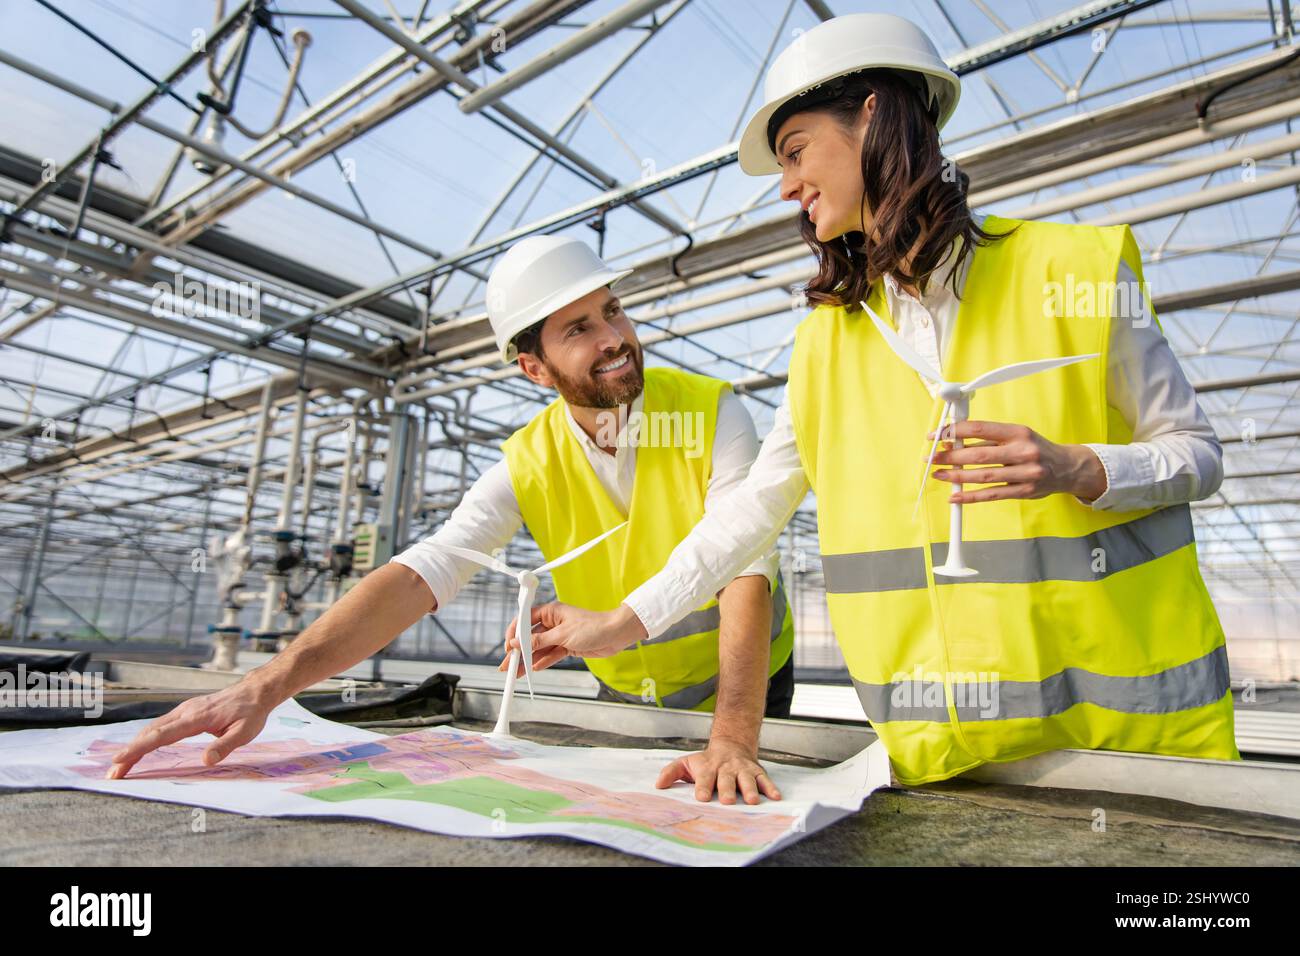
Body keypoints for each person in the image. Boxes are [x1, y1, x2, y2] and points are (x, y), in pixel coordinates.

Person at [504, 13, 1240, 786]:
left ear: (874, 115)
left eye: (795, 153)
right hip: (945, 762)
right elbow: (751, 514)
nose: (787, 187)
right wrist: (621, 622)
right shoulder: (826, 342)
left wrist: (1080, 467)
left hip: (1128, 749)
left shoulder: (1075, 271)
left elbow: (1197, 453)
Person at [105, 235, 796, 805]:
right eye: (579, 328)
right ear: (534, 368)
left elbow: (745, 566)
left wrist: (734, 735)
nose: (615, 338)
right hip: (619, 688)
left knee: (739, 804)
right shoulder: (527, 462)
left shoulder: (712, 409)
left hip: (746, 680)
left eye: (613, 311)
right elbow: (426, 570)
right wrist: (267, 685)